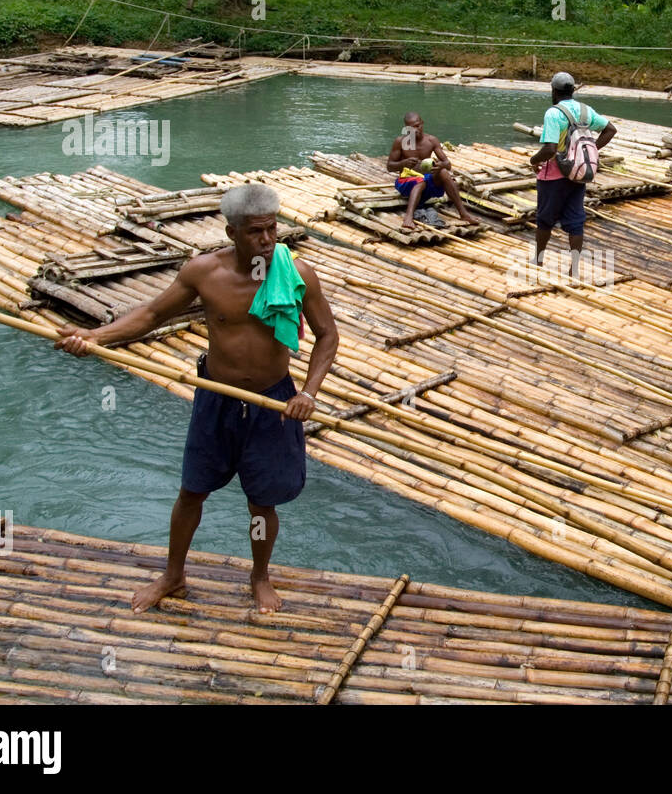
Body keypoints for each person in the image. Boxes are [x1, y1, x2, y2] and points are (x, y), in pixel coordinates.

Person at [54, 183, 340, 615]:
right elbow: (151, 315)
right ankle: (173, 575)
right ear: (231, 233)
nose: (266, 240)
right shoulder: (203, 273)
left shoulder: (297, 273)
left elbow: (327, 337)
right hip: (216, 398)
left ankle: (259, 576)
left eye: (272, 229)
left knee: (262, 501)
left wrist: (309, 393)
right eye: (255, 232)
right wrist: (94, 337)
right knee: (192, 491)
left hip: (272, 401)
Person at [529, 72, 617, 276]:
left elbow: (550, 149)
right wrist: (589, 152)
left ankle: (538, 261)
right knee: (576, 220)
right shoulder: (585, 111)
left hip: (554, 174)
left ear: (554, 91)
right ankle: (574, 269)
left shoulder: (554, 113)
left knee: (545, 219)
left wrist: (533, 160)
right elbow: (610, 130)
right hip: (579, 173)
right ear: (572, 90)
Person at [385, 112, 477, 231]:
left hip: (427, 183)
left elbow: (447, 164)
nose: (415, 130)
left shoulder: (431, 140)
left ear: (422, 124)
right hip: (407, 182)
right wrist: (403, 163)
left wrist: (439, 165)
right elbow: (390, 166)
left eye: (417, 126)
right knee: (420, 181)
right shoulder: (400, 142)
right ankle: (408, 217)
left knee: (443, 172)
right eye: (411, 127)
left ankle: (464, 213)